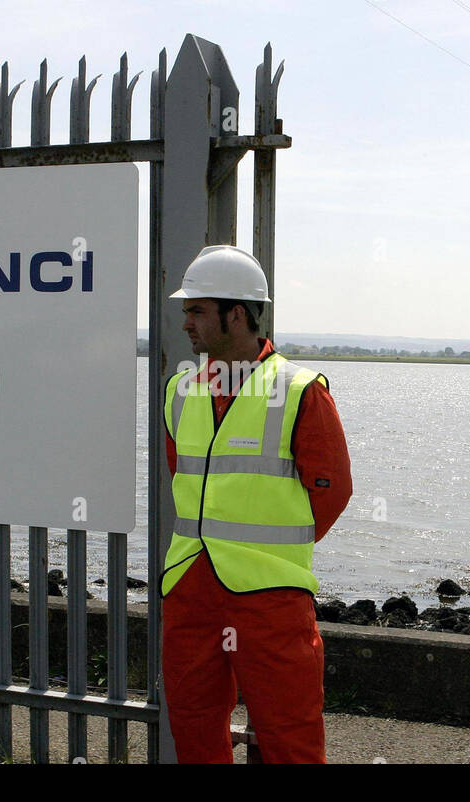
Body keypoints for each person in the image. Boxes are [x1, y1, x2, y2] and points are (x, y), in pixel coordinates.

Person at [161, 244, 352, 763]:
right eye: (186, 311)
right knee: (193, 725)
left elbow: (331, 492)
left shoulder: (299, 390)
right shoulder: (180, 391)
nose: (186, 324)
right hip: (190, 583)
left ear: (237, 314)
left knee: (289, 732)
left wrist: (273, 549)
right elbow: (184, 475)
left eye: (197, 311)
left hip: (270, 594)